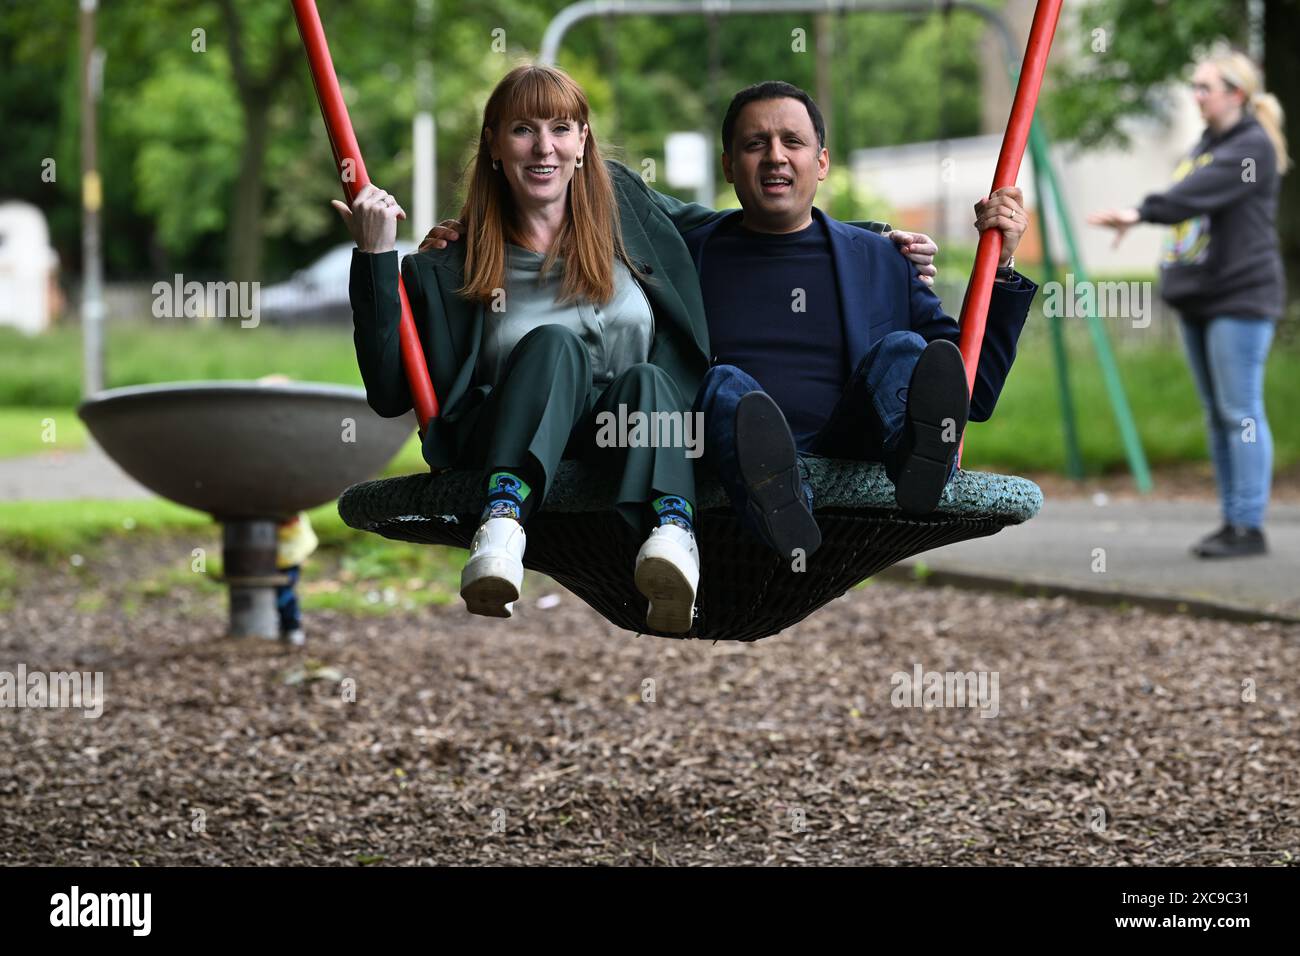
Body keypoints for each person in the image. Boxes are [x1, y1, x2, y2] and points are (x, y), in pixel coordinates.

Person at [339, 65, 713, 633]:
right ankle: (501, 524)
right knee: (554, 345)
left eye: (561, 128)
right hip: (504, 437)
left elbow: (730, 229)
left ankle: (670, 540)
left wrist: (869, 237)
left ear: (582, 142)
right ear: (493, 143)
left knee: (650, 381)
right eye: (523, 130)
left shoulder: (626, 210)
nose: (544, 147)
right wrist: (375, 256)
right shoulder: (445, 270)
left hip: (618, 437)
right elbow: (389, 393)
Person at [1090, 47, 1289, 559]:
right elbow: (1189, 204)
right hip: (1200, 297)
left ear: (1236, 94)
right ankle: (1232, 521)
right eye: (1194, 87)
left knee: (1240, 409)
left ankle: (1249, 526)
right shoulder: (1205, 144)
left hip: (1240, 296)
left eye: (1205, 87)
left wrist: (1139, 212)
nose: (1196, 96)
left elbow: (1195, 193)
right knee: (1217, 412)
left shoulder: (1252, 151)